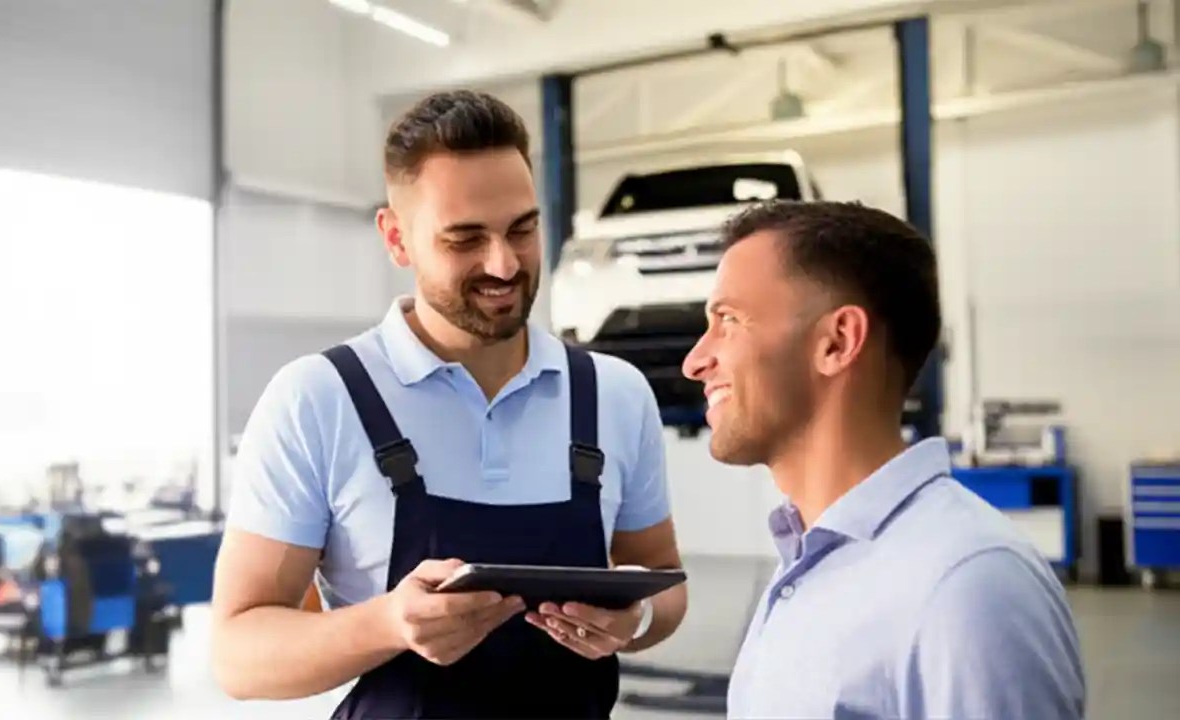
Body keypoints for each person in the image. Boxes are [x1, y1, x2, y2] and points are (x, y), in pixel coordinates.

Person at [210, 90, 688, 719]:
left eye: (523, 229)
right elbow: (237, 655)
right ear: (396, 238)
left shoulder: (614, 396)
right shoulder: (317, 400)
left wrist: (635, 619)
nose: (504, 263)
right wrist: (388, 624)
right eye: (465, 239)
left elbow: (662, 583)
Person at [681, 201, 1085, 719]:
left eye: (729, 320)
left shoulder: (968, 587)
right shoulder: (809, 561)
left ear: (837, 342)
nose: (695, 361)